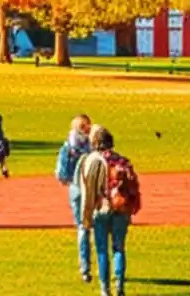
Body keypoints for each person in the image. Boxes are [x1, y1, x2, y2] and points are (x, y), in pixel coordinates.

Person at [78, 125, 140, 296]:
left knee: (102, 250)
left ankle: (105, 289)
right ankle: (119, 285)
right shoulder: (123, 161)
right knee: (119, 248)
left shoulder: (92, 161)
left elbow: (88, 190)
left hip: (101, 209)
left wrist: (86, 215)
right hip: (121, 209)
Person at [56, 115, 94, 283]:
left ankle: (85, 268)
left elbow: (61, 175)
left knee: (82, 227)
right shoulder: (92, 146)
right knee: (98, 227)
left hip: (76, 189)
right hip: (92, 190)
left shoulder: (68, 145)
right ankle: (103, 264)